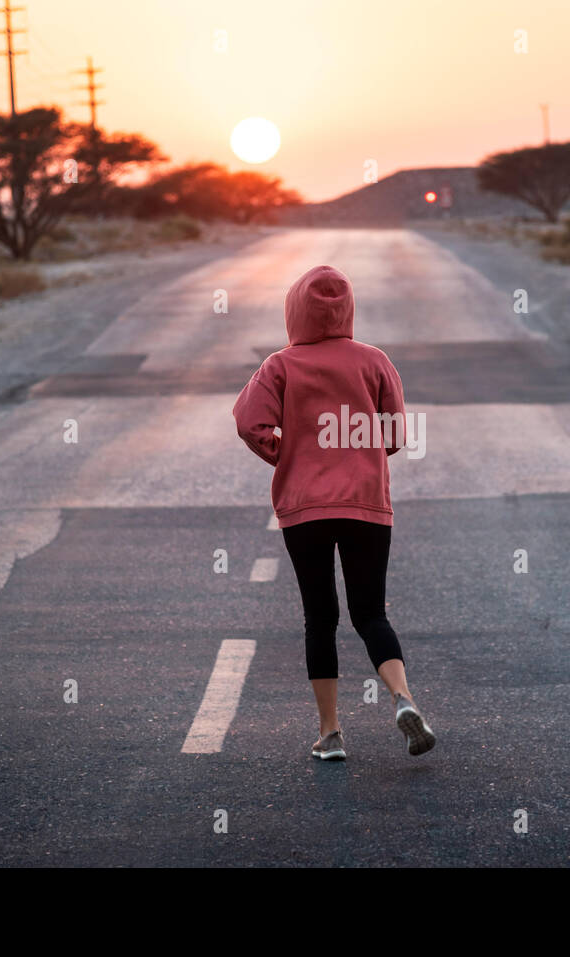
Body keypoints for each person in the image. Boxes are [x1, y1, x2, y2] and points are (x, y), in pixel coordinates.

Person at [232, 264, 435, 761]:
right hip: (366, 505)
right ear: (348, 310)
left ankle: (331, 734)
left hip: (305, 510)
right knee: (370, 613)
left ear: (294, 311)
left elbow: (247, 421)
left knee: (319, 617)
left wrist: (284, 452)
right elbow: (394, 435)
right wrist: (360, 455)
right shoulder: (374, 361)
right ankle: (403, 699)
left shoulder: (280, 365)